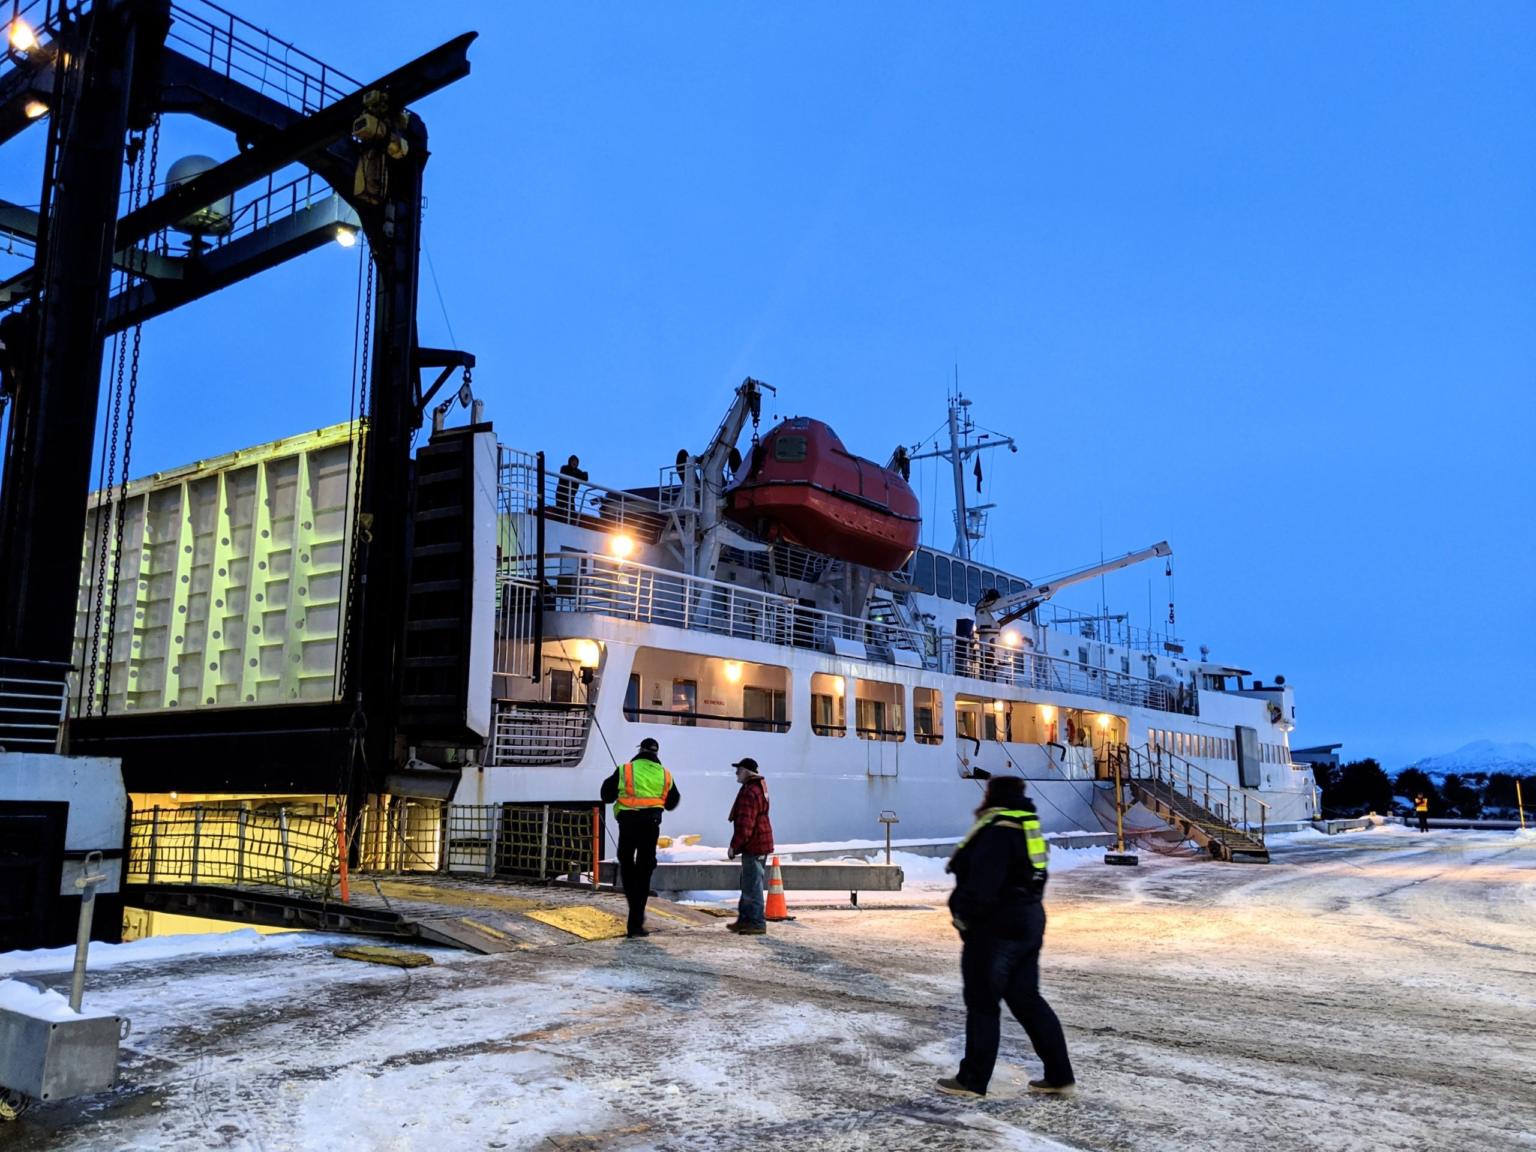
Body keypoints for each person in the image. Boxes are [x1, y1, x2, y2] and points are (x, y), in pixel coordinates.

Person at [937, 775, 1075, 1099]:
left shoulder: (999, 831)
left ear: (992, 796)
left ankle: (972, 1079)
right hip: (1028, 920)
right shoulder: (1028, 828)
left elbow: (983, 885)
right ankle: (1059, 1074)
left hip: (995, 927)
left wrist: (964, 918)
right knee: (1028, 1000)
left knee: (983, 1003)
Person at [600, 737, 680, 937]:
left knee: (627, 865)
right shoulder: (665, 774)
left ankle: (634, 913)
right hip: (650, 826)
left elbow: (606, 795)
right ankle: (636, 921)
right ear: (656, 754)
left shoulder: (625, 770)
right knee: (644, 870)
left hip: (627, 825)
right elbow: (672, 802)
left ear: (640, 750)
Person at [725, 757, 774, 936]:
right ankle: (745, 920)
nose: (736, 773)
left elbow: (746, 823)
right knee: (748, 883)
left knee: (752, 885)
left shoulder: (750, 791)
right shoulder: (759, 787)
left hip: (755, 845)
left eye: (739, 769)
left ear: (746, 771)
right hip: (760, 842)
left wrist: (734, 846)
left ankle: (756, 922)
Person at [554, 454, 588, 521]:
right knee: (559, 511)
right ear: (569, 461)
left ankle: (571, 523)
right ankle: (559, 522)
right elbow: (565, 476)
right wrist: (577, 475)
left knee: (572, 513)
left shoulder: (577, 471)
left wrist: (577, 474)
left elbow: (586, 477)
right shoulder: (564, 468)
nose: (574, 463)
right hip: (561, 494)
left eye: (576, 462)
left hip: (571, 495)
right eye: (573, 461)